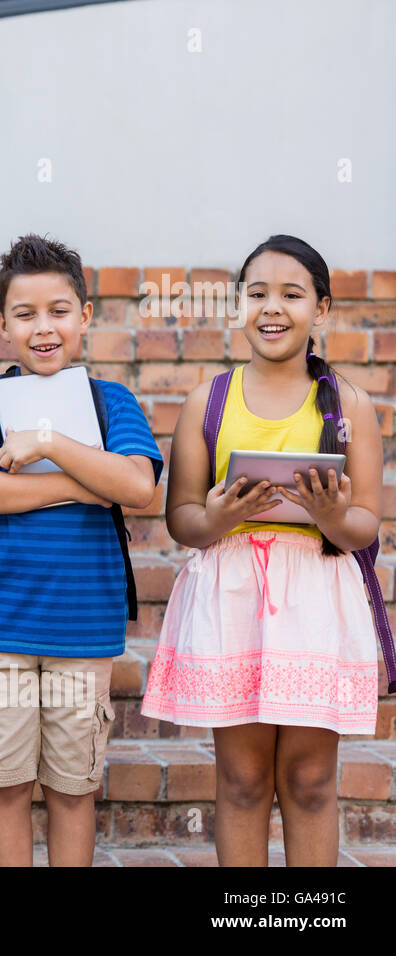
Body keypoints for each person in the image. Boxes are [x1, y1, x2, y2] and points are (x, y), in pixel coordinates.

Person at [141, 235, 384, 866]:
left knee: (308, 782)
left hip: (316, 597)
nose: (271, 308)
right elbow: (183, 520)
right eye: (256, 294)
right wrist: (219, 515)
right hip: (235, 598)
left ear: (321, 310)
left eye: (291, 294)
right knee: (243, 782)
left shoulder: (350, 405)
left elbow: (364, 526)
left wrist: (332, 514)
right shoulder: (208, 402)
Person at [0, 234, 162, 866]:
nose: (44, 327)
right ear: (1, 326)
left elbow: (139, 485)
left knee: (73, 788)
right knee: (6, 785)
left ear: (86, 317)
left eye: (60, 310)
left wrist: (50, 445)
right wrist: (81, 485)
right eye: (26, 314)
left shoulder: (109, 401)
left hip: (83, 629)